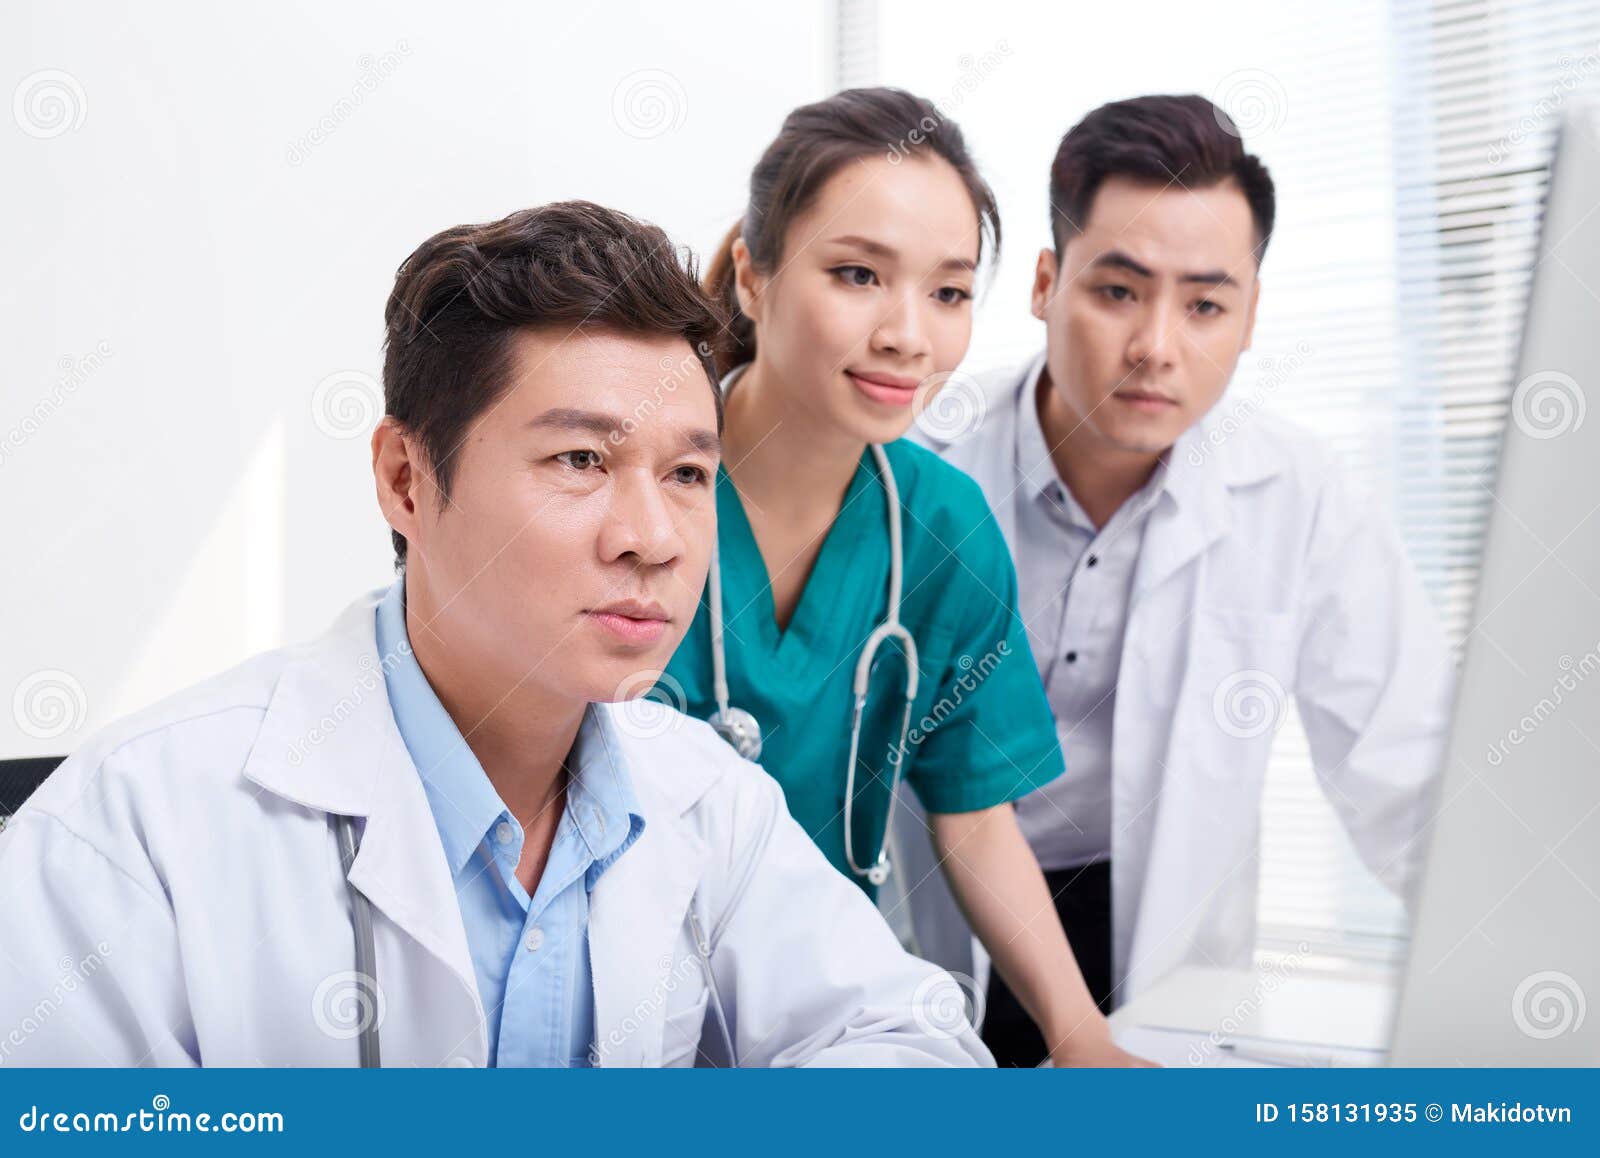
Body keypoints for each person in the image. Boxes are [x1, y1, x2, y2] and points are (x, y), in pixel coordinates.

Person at [0, 201, 990, 1068]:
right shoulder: (136, 825)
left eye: (688, 475)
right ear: (405, 481)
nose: (649, 539)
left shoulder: (707, 799)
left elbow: (916, 1042)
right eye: (578, 459)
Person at [915, 94, 1455, 1066]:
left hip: (1152, 930)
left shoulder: (1297, 493)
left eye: (1204, 304)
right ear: (1044, 282)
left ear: (1250, 318)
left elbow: (1409, 776)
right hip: (939, 913)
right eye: (1117, 291)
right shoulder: (924, 468)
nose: (1156, 347)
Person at [660, 88, 1148, 1067]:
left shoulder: (940, 528)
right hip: (621, 996)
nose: (907, 336)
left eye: (949, 292)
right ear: (752, 277)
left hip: (825, 1012)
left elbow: (974, 816)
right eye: (856, 275)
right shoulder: (638, 493)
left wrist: (1080, 1035)